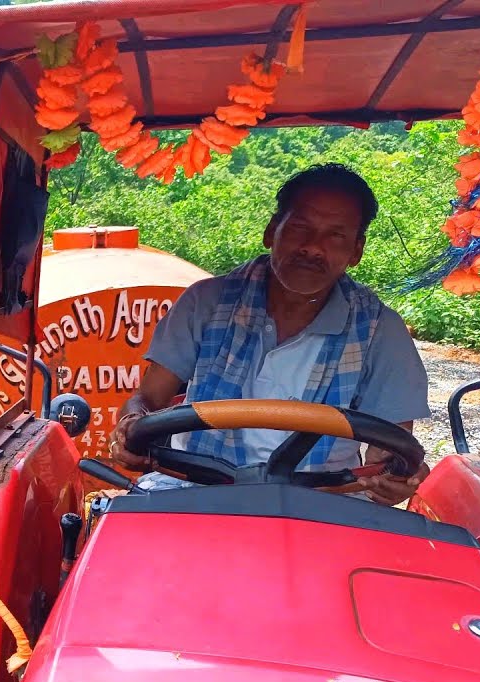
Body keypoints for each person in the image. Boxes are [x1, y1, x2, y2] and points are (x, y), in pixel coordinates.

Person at [108, 163, 431, 506]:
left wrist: (394, 480)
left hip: (323, 505)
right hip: (195, 490)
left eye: (335, 235)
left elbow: (389, 452)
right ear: (271, 230)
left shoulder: (381, 331)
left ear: (356, 251)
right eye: (300, 227)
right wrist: (130, 425)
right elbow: (147, 401)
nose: (313, 247)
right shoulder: (205, 302)